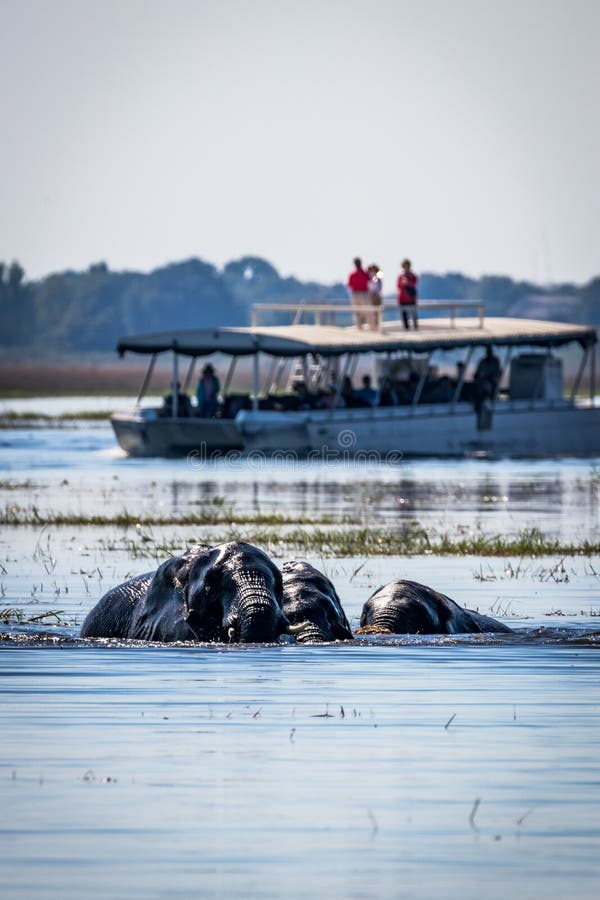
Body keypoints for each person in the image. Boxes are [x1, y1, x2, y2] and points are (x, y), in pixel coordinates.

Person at [473, 346, 501, 429]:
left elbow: (497, 373)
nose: (488, 353)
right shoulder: (482, 361)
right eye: (487, 352)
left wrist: (489, 377)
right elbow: (476, 374)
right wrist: (480, 376)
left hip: (491, 384)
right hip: (482, 385)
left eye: (490, 351)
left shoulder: (495, 361)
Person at [347, 257, 370, 329]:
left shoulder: (352, 274)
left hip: (355, 294)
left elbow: (349, 285)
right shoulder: (366, 273)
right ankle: (370, 327)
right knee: (367, 312)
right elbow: (370, 282)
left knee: (357, 312)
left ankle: (359, 327)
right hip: (364, 294)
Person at [397, 258, 418, 330]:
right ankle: (406, 328)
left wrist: (407, 283)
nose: (406, 267)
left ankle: (415, 328)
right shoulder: (401, 276)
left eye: (407, 266)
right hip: (403, 299)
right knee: (404, 315)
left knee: (414, 314)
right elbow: (398, 286)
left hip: (411, 298)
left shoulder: (413, 276)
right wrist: (403, 284)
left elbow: (414, 284)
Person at [367, 264, 383, 330]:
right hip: (371, 295)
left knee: (377, 312)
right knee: (371, 312)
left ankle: (377, 326)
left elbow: (380, 284)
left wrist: (376, 293)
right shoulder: (369, 276)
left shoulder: (378, 275)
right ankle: (372, 326)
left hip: (377, 295)